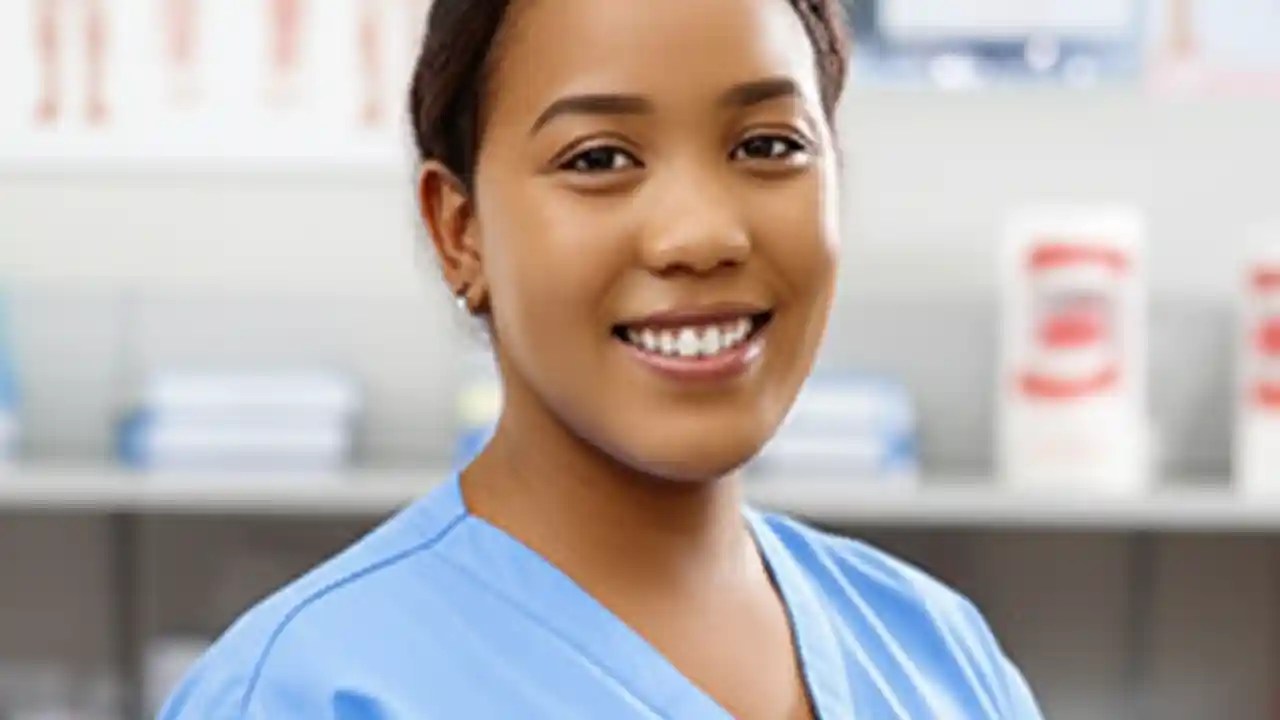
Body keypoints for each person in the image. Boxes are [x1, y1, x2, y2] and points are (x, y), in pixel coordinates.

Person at [160, 0, 1043, 717]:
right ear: (458, 231)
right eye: (600, 158)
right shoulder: (305, 693)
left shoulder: (940, 659)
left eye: (769, 145)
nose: (701, 235)